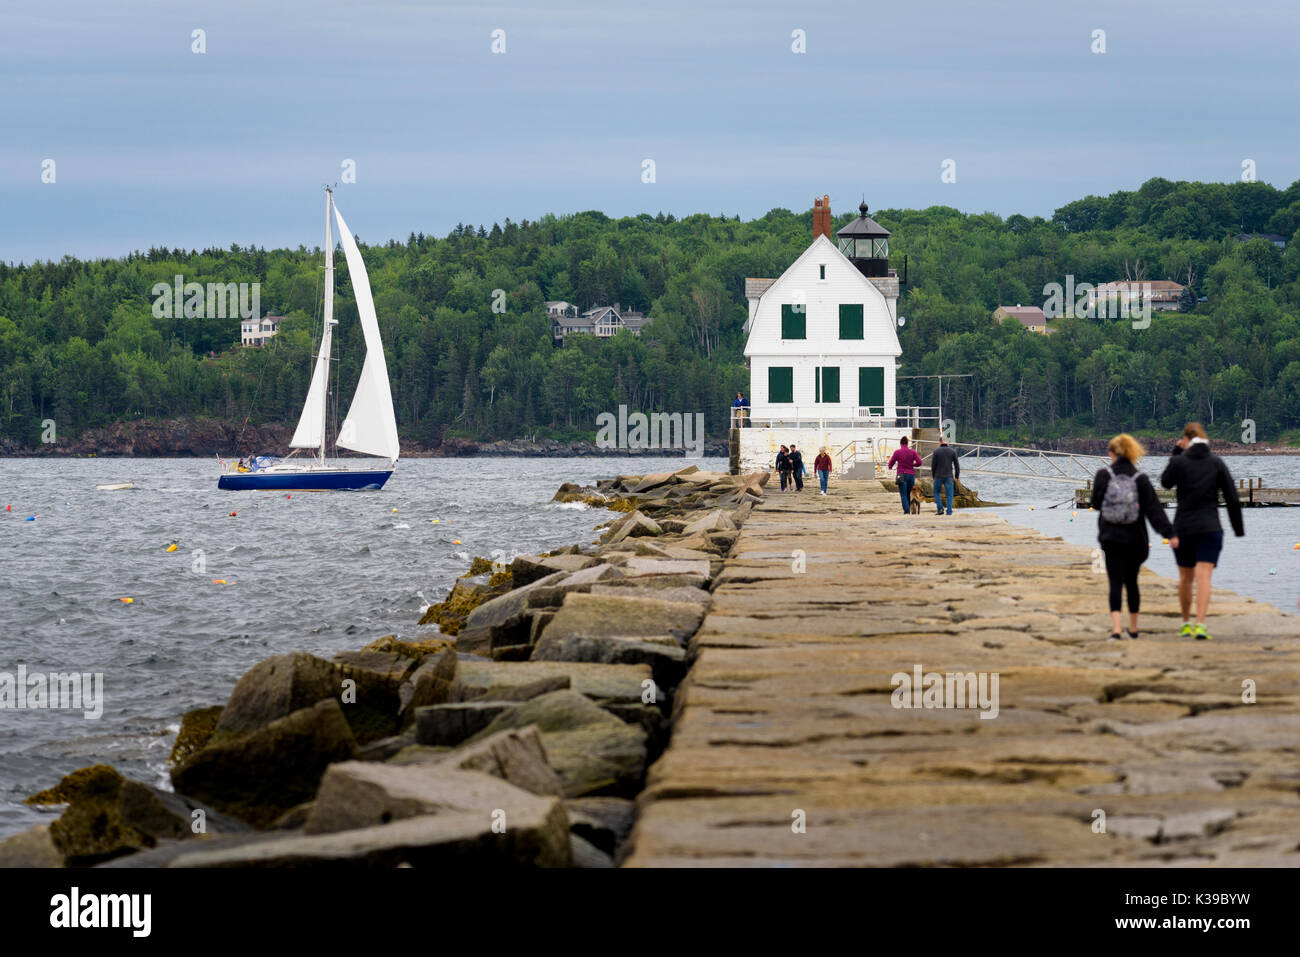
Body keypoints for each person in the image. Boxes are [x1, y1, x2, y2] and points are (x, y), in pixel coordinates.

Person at [1160, 422, 1244, 640]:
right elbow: (1232, 498)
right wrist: (1238, 529)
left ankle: (1186, 622)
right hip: (1210, 527)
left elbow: (1166, 483)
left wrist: (1176, 453)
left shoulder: (1180, 461)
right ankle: (1201, 624)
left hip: (1184, 527)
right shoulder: (1216, 463)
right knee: (1204, 576)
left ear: (1186, 440)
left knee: (1186, 578)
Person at [1090, 434, 1177, 641]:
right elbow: (1154, 511)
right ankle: (1135, 629)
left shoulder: (1104, 475)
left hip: (1111, 537)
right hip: (1135, 539)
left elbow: (1094, 502)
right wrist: (1170, 534)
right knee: (1132, 582)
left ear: (1111, 453)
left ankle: (1117, 630)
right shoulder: (1141, 478)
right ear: (1132, 453)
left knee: (1115, 582)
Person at [887, 437, 923, 514]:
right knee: (907, 493)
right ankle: (908, 509)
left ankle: (906, 510)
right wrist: (913, 465)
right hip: (911, 475)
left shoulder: (897, 452)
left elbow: (891, 462)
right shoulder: (913, 452)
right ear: (907, 443)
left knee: (903, 494)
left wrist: (890, 467)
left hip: (901, 475)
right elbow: (919, 462)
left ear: (900, 443)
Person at [930, 437, 960, 515]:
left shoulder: (936, 451)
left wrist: (933, 476)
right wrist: (957, 476)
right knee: (949, 494)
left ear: (939, 442)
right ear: (948, 442)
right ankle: (949, 512)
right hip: (949, 476)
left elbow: (933, 465)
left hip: (938, 475)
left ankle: (940, 508)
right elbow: (957, 465)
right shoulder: (952, 451)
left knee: (936, 492)